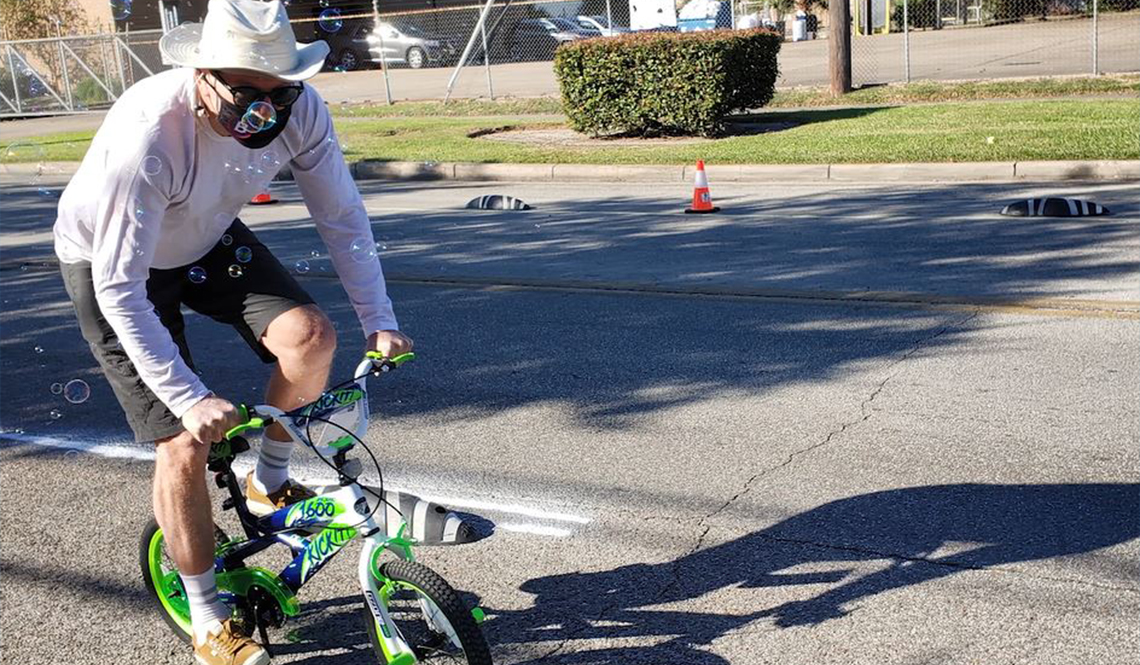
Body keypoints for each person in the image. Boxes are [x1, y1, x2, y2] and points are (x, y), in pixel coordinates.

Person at [52, 1, 412, 663]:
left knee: (310, 338)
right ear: (202, 75)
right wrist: (188, 398)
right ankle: (206, 616)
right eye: (245, 92)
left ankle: (267, 479)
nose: (265, 112)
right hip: (111, 264)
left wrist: (379, 319)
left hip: (203, 237)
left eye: (280, 93)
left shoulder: (300, 110)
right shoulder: (151, 136)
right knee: (183, 445)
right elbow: (120, 289)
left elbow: (342, 216)